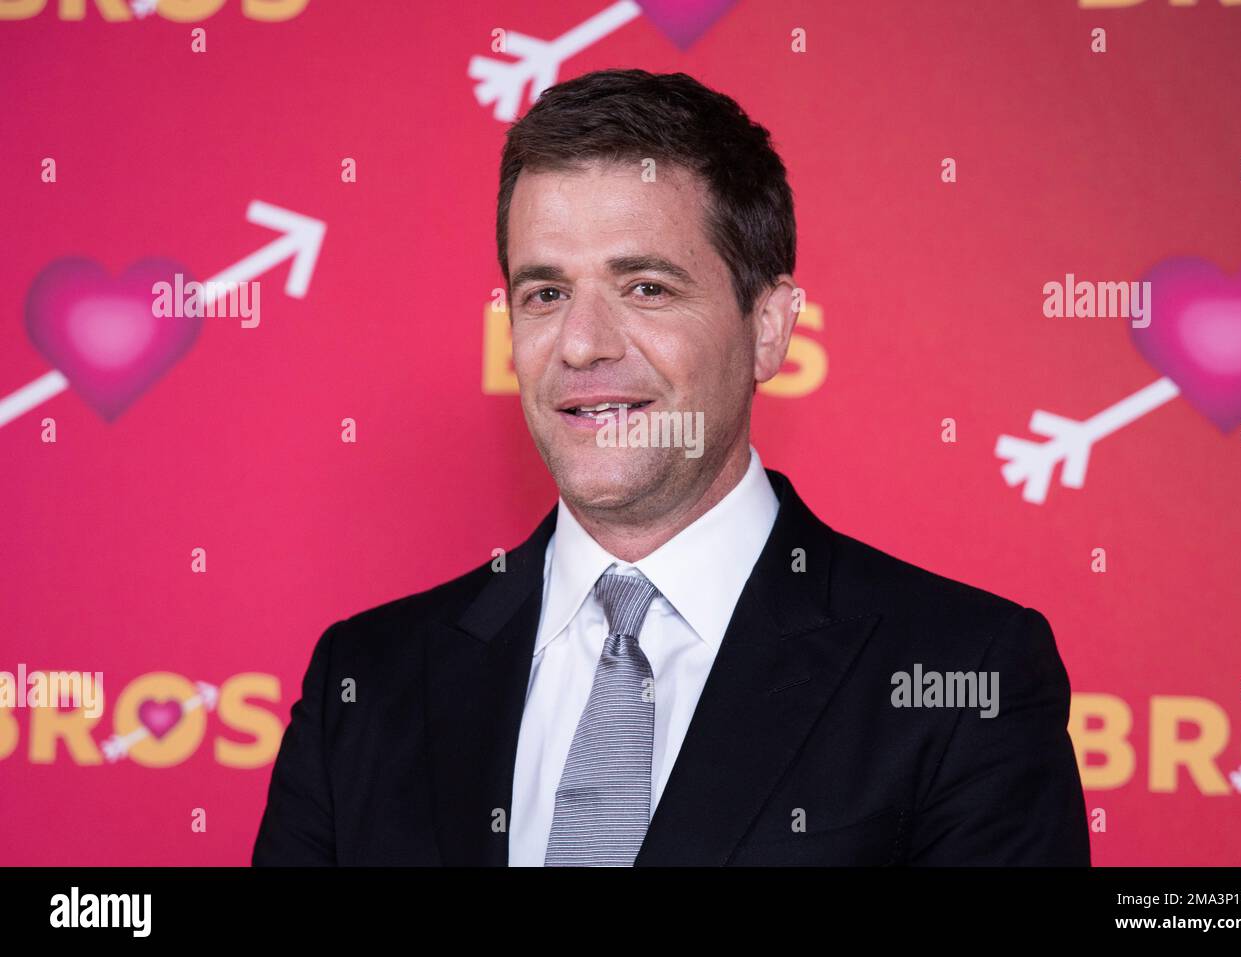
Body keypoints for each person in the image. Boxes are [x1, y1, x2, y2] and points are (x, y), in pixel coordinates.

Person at [252, 68, 1090, 867]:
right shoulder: (362, 684)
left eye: (646, 287)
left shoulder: (963, 674)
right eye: (545, 293)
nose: (583, 343)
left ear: (767, 327)